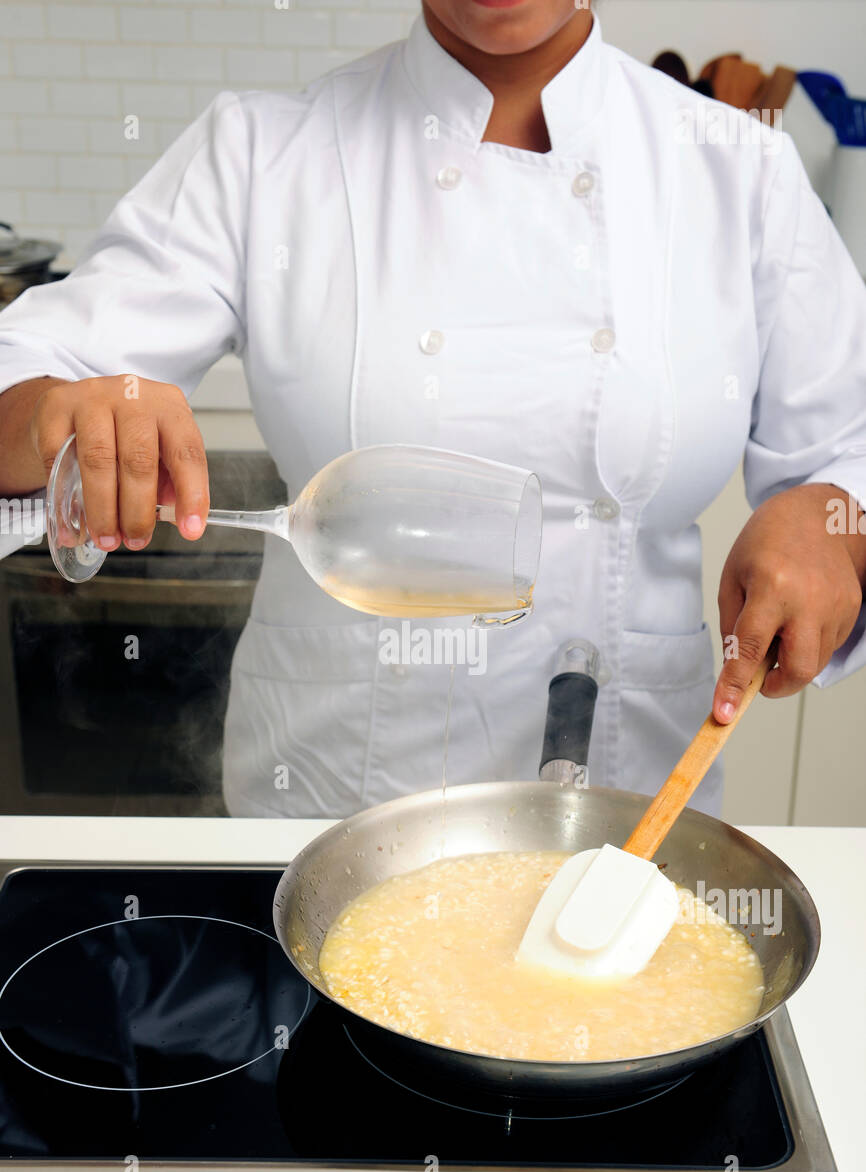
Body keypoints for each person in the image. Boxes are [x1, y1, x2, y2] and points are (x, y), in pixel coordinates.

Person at [0, 0, 864, 818]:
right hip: (326, 827)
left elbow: (850, 454)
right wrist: (60, 413)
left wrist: (828, 528)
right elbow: (30, 371)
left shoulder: (739, 169)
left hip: (629, 838)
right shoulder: (265, 152)